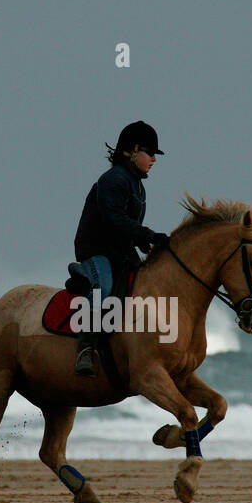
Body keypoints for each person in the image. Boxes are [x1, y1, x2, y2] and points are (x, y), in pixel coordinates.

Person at [66, 121, 170, 377]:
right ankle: (86, 348)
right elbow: (114, 219)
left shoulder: (137, 185)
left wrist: (146, 243)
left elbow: (128, 228)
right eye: (150, 152)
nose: (154, 159)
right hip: (97, 251)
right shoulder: (114, 179)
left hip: (120, 252)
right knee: (103, 287)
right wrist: (147, 234)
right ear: (133, 151)